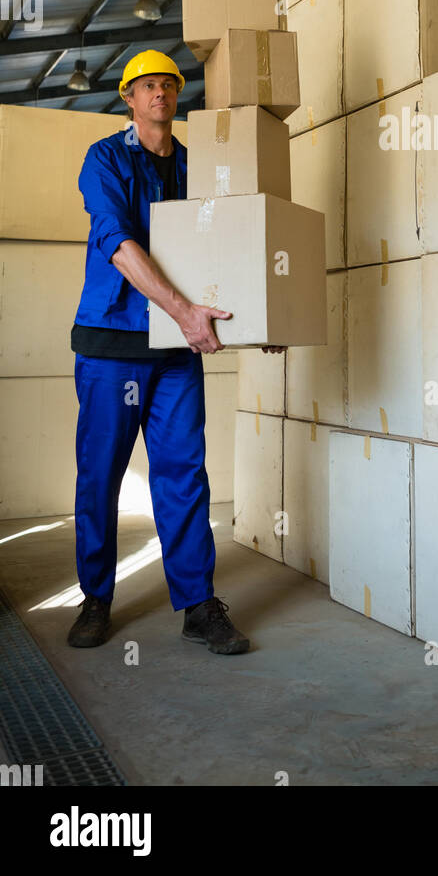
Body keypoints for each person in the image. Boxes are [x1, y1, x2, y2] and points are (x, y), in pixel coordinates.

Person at [67, 50, 280, 655]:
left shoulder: (195, 166)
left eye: (167, 83)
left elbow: (225, 246)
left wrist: (260, 315)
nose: (158, 92)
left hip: (174, 349)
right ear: (128, 99)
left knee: (184, 473)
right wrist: (184, 312)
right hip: (114, 343)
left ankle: (197, 605)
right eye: (145, 86)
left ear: (177, 96)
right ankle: (96, 598)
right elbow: (117, 241)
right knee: (101, 474)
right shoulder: (104, 159)